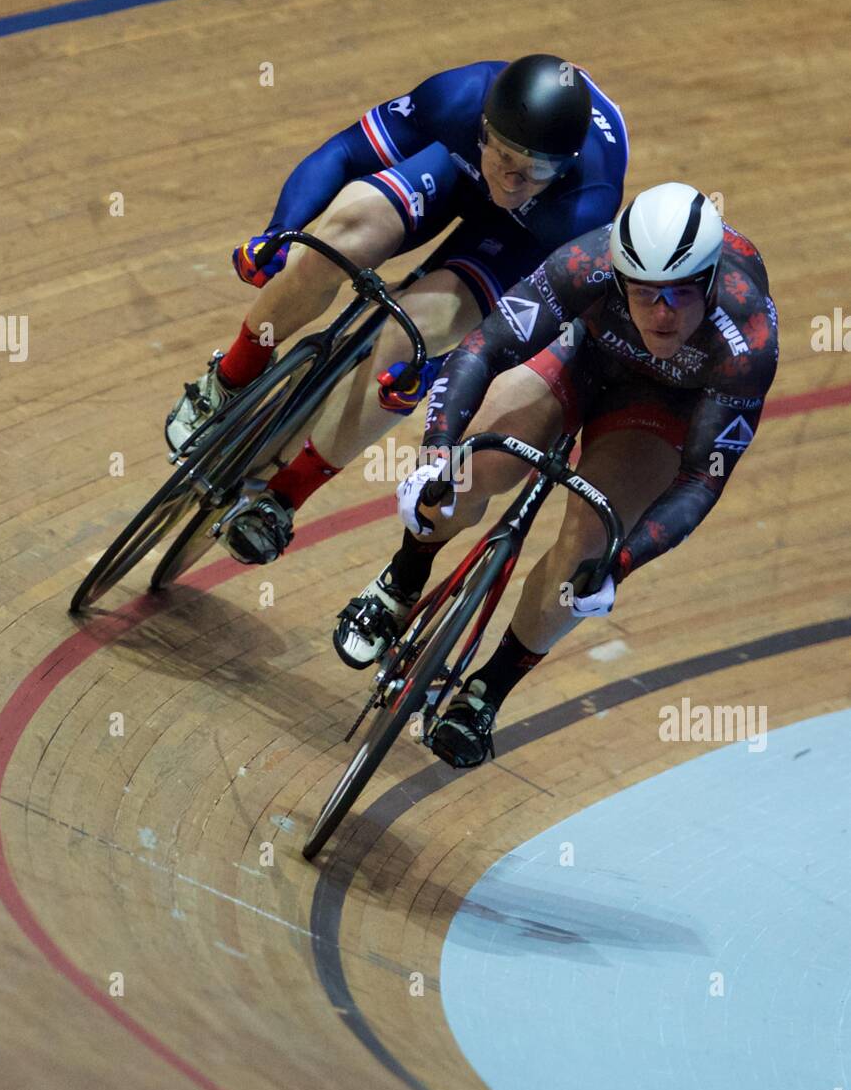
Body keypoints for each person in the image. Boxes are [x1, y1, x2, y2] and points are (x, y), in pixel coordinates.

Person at [334, 183, 779, 767]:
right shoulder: (586, 262)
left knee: (588, 553)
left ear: (711, 279)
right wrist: (438, 451)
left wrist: (621, 564)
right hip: (582, 358)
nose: (662, 313)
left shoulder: (746, 338)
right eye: (645, 294)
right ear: (619, 277)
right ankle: (403, 577)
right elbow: (483, 347)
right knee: (472, 469)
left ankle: (486, 692)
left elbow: (702, 478)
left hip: (660, 409)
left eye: (679, 294)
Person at [165, 55, 628, 564]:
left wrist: (430, 370)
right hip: (455, 171)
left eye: (535, 172)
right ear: (484, 128)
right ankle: (232, 374)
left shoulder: (586, 205)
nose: (514, 183)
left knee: (410, 336)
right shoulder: (458, 97)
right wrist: (277, 233)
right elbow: (344, 153)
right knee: (339, 235)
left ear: (562, 167)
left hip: (521, 241)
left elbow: (524, 325)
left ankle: (284, 497)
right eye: (505, 160)